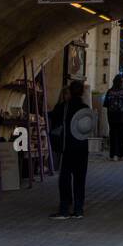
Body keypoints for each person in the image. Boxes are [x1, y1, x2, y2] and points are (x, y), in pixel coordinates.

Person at [48, 79, 90, 220]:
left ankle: (64, 209)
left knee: (65, 178)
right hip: (82, 147)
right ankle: (78, 210)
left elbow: (53, 117)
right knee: (80, 179)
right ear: (82, 92)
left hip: (68, 147)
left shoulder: (64, 107)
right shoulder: (85, 108)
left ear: (70, 91)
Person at [104, 73, 123, 161]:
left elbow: (106, 104)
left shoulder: (109, 91)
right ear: (121, 82)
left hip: (111, 118)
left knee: (113, 135)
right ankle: (121, 154)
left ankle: (113, 154)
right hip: (122, 118)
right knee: (121, 136)